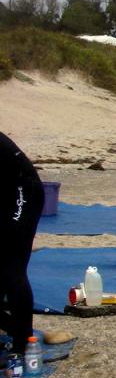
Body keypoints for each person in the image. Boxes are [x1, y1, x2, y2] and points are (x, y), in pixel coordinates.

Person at [0, 132, 43, 357]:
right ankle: (10, 326)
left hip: (23, 191)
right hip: (4, 191)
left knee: (11, 267)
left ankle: (22, 341)